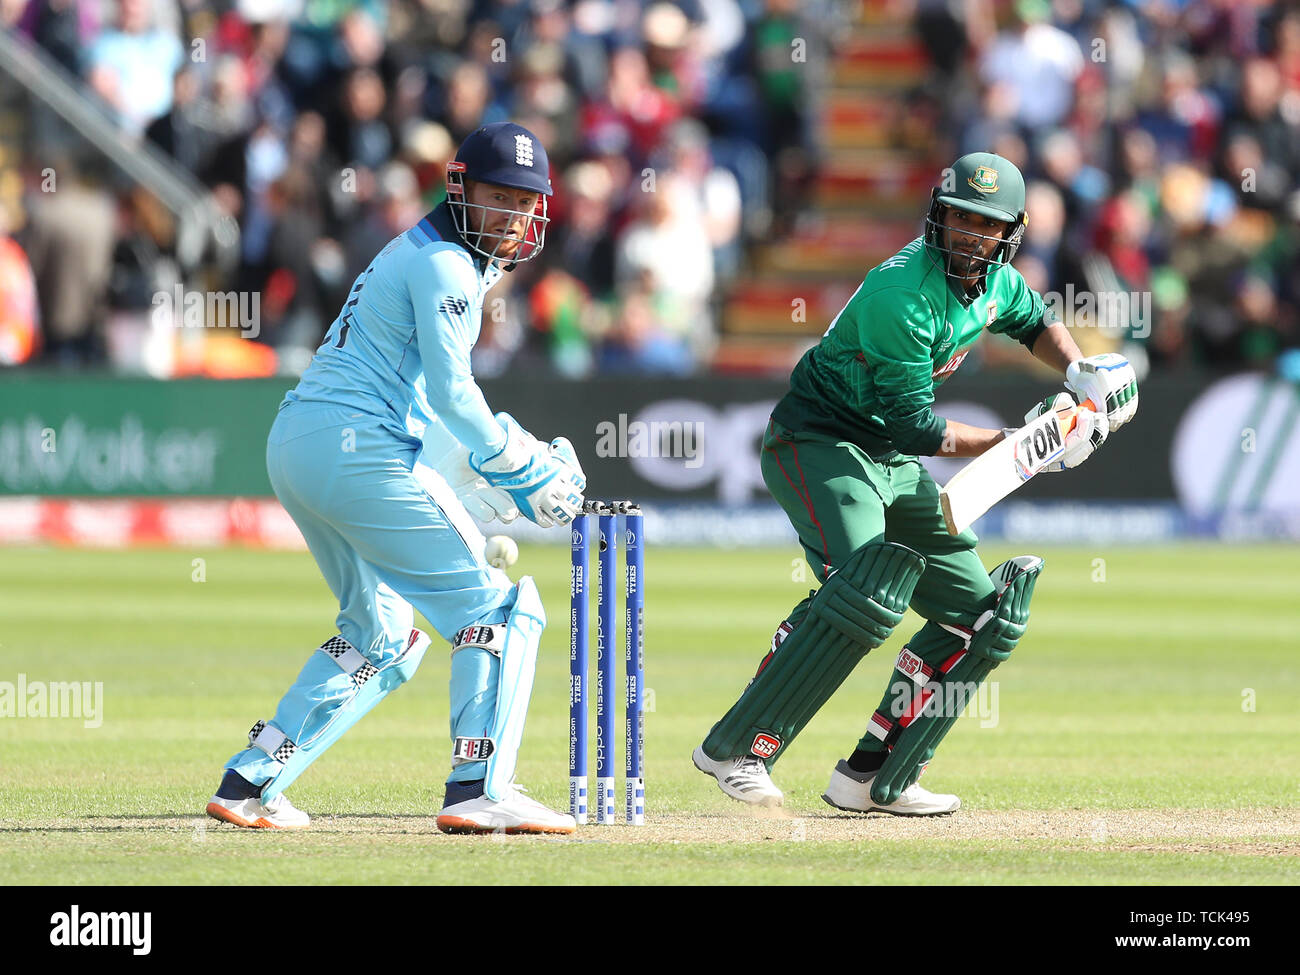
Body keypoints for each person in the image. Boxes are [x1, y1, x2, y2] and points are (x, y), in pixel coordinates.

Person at [692, 152, 1139, 814]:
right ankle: (736, 747)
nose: (967, 234)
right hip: (820, 442)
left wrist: (1077, 375)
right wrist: (1014, 443)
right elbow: (913, 426)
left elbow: (1033, 320)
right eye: (958, 217)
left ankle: (873, 774)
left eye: (984, 226)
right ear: (938, 214)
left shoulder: (996, 282)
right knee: (864, 590)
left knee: (982, 618)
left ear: (1008, 233)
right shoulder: (904, 294)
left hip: (885, 458)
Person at [205, 122, 587, 835]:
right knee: (499, 612)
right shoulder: (445, 264)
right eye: (497, 196)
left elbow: (427, 408)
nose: (511, 215)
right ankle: (479, 784)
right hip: (354, 452)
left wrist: (499, 458)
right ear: (459, 190)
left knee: (383, 632)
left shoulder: (430, 254)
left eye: (525, 201)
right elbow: (451, 395)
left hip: (301, 445)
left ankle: (252, 779)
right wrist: (523, 466)